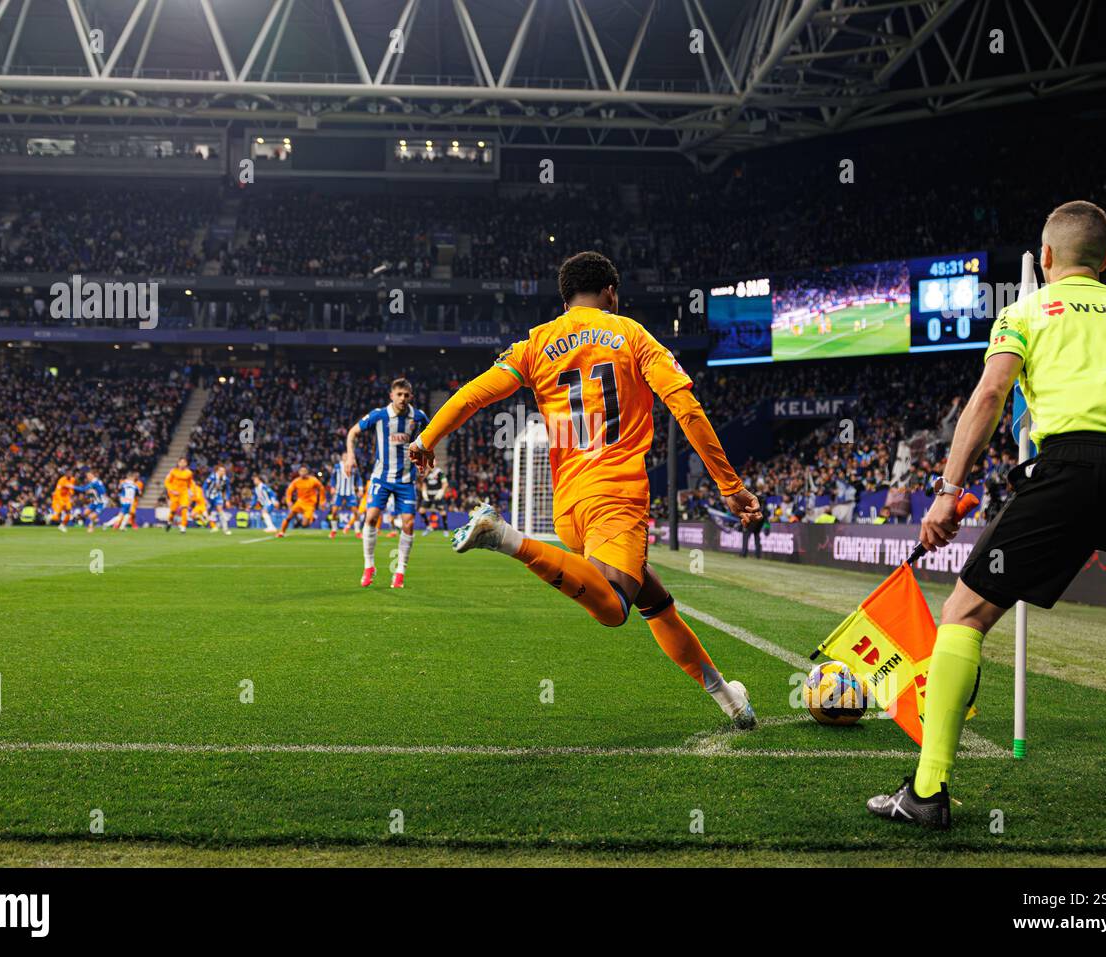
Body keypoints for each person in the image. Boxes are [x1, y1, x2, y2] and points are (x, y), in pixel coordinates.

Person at [868, 200, 1106, 829]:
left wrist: (947, 489)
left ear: (1045, 258)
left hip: (1071, 468)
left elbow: (991, 395)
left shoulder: (1025, 311)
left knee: (965, 612)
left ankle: (928, 790)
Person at [407, 251, 764, 728]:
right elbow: (686, 406)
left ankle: (728, 696)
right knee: (615, 607)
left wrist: (427, 437)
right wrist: (729, 484)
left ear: (566, 296)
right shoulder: (632, 334)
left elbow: (475, 392)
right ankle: (505, 538)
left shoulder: (536, 343)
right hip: (615, 495)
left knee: (653, 600)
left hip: (569, 506)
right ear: (611, 292)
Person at [344, 378, 429, 588]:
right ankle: (369, 565)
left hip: (406, 480)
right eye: (399, 394)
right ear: (391, 395)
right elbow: (352, 433)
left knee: (408, 523)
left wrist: (426, 459)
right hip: (381, 478)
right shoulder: (379, 415)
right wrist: (350, 456)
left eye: (406, 395)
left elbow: (432, 435)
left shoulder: (418, 417)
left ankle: (399, 572)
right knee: (371, 517)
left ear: (411, 397)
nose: (403, 398)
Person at [278, 466, 324, 538]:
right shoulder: (296, 481)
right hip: (299, 503)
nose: (303, 473)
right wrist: (289, 501)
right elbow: (289, 491)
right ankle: (281, 532)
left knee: (304, 524)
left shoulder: (313, 480)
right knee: (289, 517)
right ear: (299, 472)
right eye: (301, 471)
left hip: (310, 504)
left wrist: (321, 501)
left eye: (304, 471)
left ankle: (312, 518)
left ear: (307, 472)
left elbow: (321, 488)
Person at [164, 457, 193, 533]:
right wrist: (172, 490)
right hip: (174, 493)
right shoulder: (173, 471)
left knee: (184, 509)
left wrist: (191, 491)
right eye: (181, 462)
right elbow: (167, 482)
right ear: (178, 463)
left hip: (184, 493)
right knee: (173, 511)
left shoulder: (189, 473)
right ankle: (169, 522)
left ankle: (183, 526)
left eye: (184, 462)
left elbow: (190, 483)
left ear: (186, 464)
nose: (182, 464)